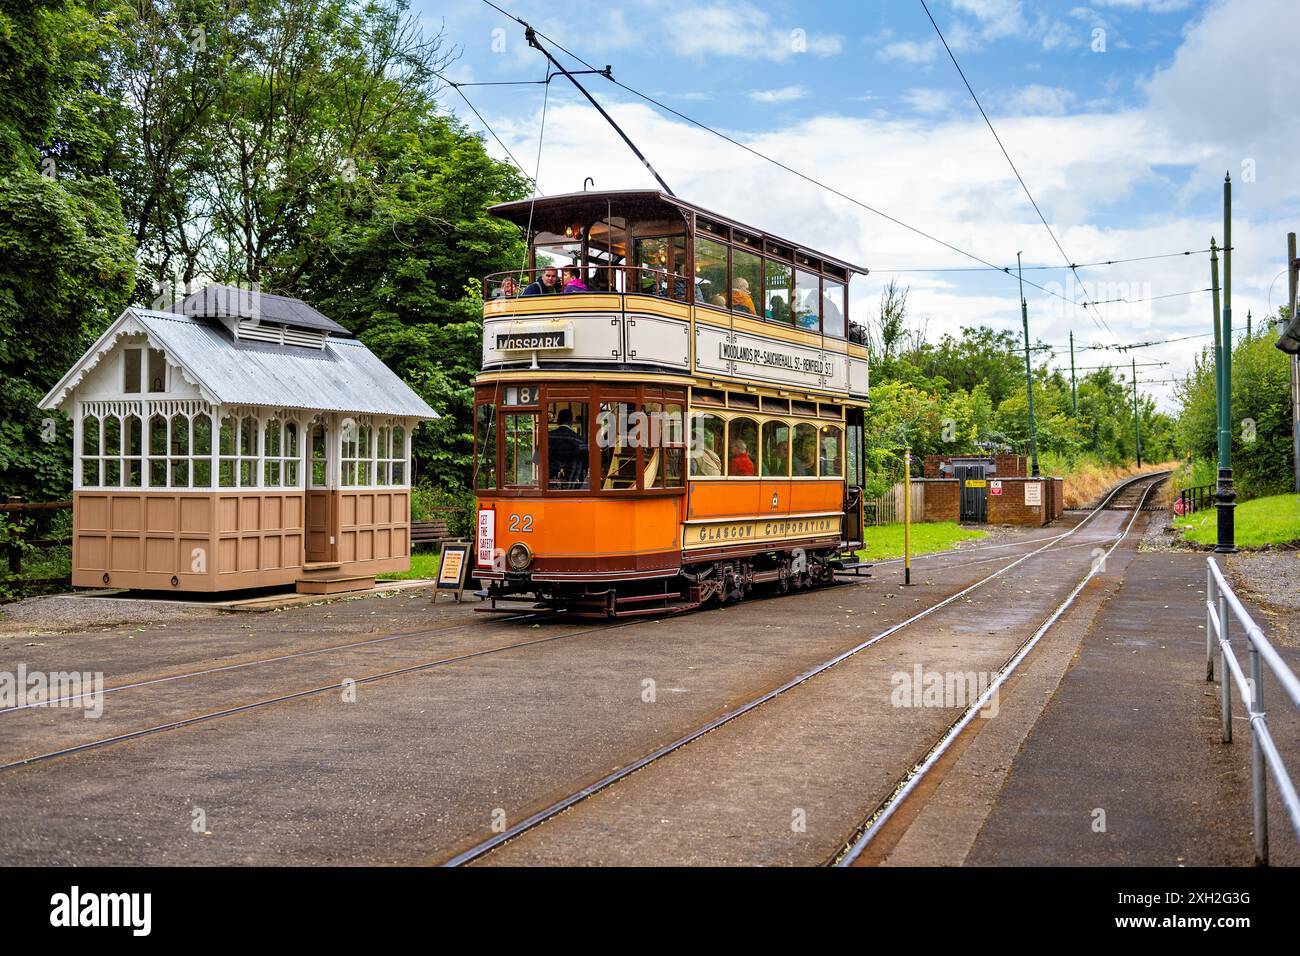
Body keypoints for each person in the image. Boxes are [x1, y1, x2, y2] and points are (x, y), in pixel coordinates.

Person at [547, 408, 588, 488]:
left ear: (558, 421)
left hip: (550, 485)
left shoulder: (547, 437)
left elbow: (537, 459)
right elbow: (585, 463)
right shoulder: (580, 440)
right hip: (572, 485)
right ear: (571, 422)